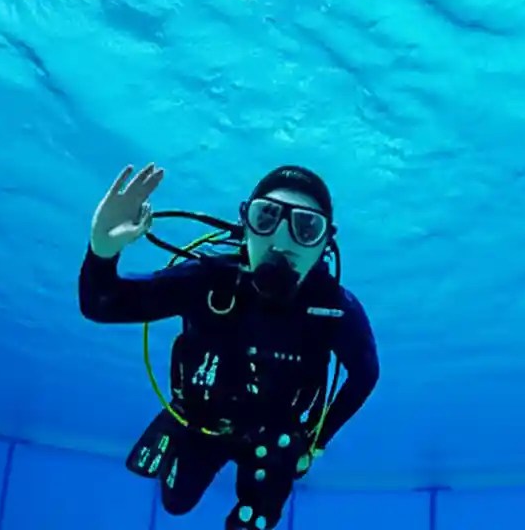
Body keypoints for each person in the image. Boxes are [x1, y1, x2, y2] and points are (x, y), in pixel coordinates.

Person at [78, 162, 380, 530]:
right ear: (245, 226)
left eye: (306, 227)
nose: (282, 241)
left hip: (274, 438)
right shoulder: (207, 282)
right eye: (266, 217)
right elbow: (101, 303)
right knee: (175, 505)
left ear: (324, 244)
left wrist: (316, 437)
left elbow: (365, 374)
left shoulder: (334, 310)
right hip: (201, 422)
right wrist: (102, 250)